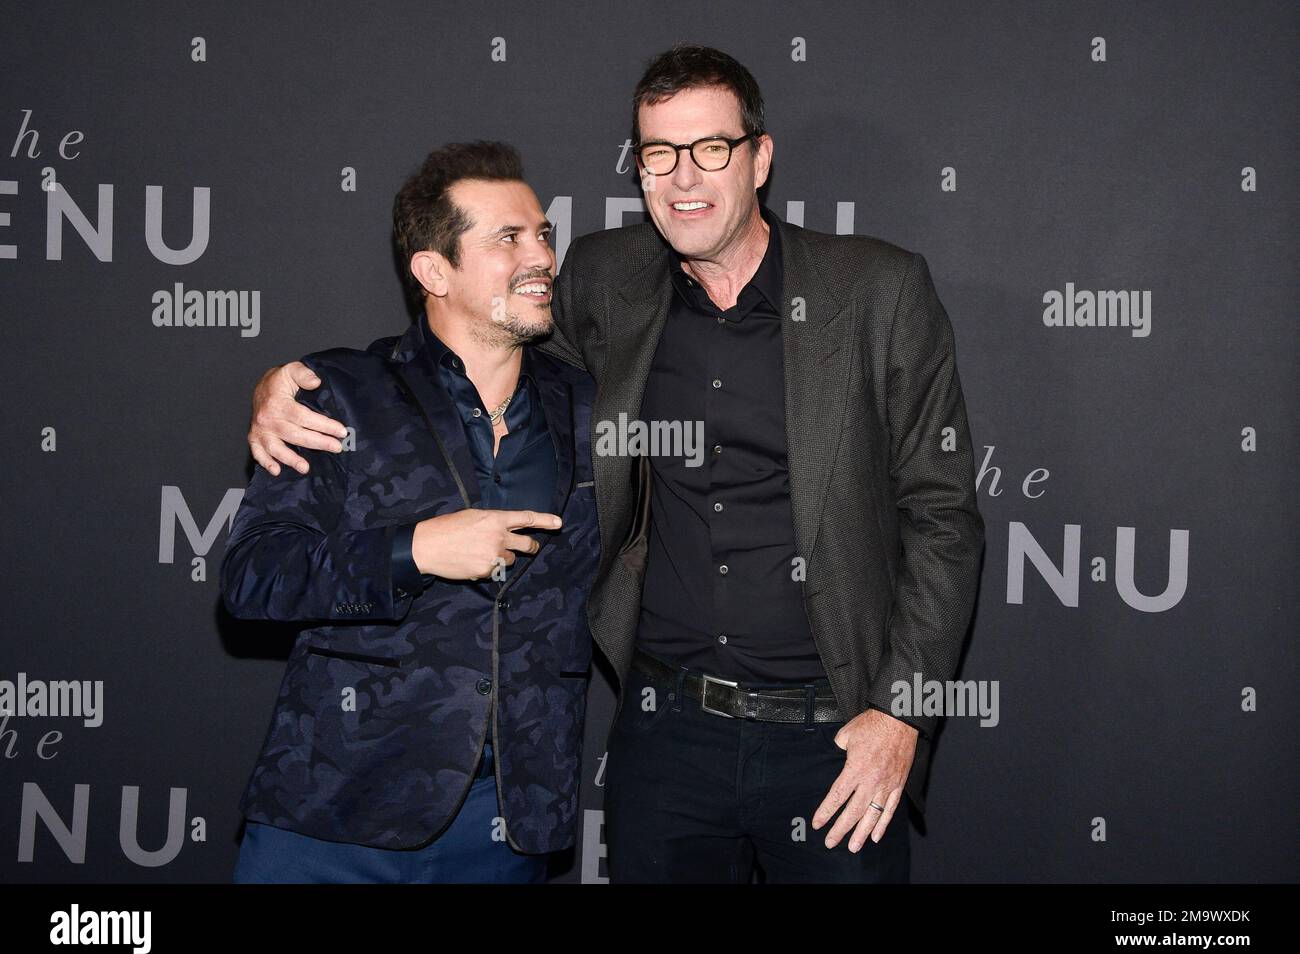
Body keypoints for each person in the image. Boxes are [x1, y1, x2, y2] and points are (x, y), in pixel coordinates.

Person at [245, 45, 984, 883]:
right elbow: (472, 335)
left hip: (836, 736)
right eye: (659, 153)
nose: (683, 177)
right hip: (666, 735)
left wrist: (900, 713)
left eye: (711, 148)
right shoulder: (605, 277)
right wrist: (294, 384)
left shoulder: (878, 290)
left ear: (760, 159)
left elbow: (943, 516)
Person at [222, 141, 599, 883]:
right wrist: (416, 549)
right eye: (508, 239)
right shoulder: (337, 393)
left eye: (542, 235)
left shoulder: (592, 408)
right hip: (338, 813)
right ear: (433, 271)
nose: (541, 257)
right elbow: (255, 576)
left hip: (510, 826)